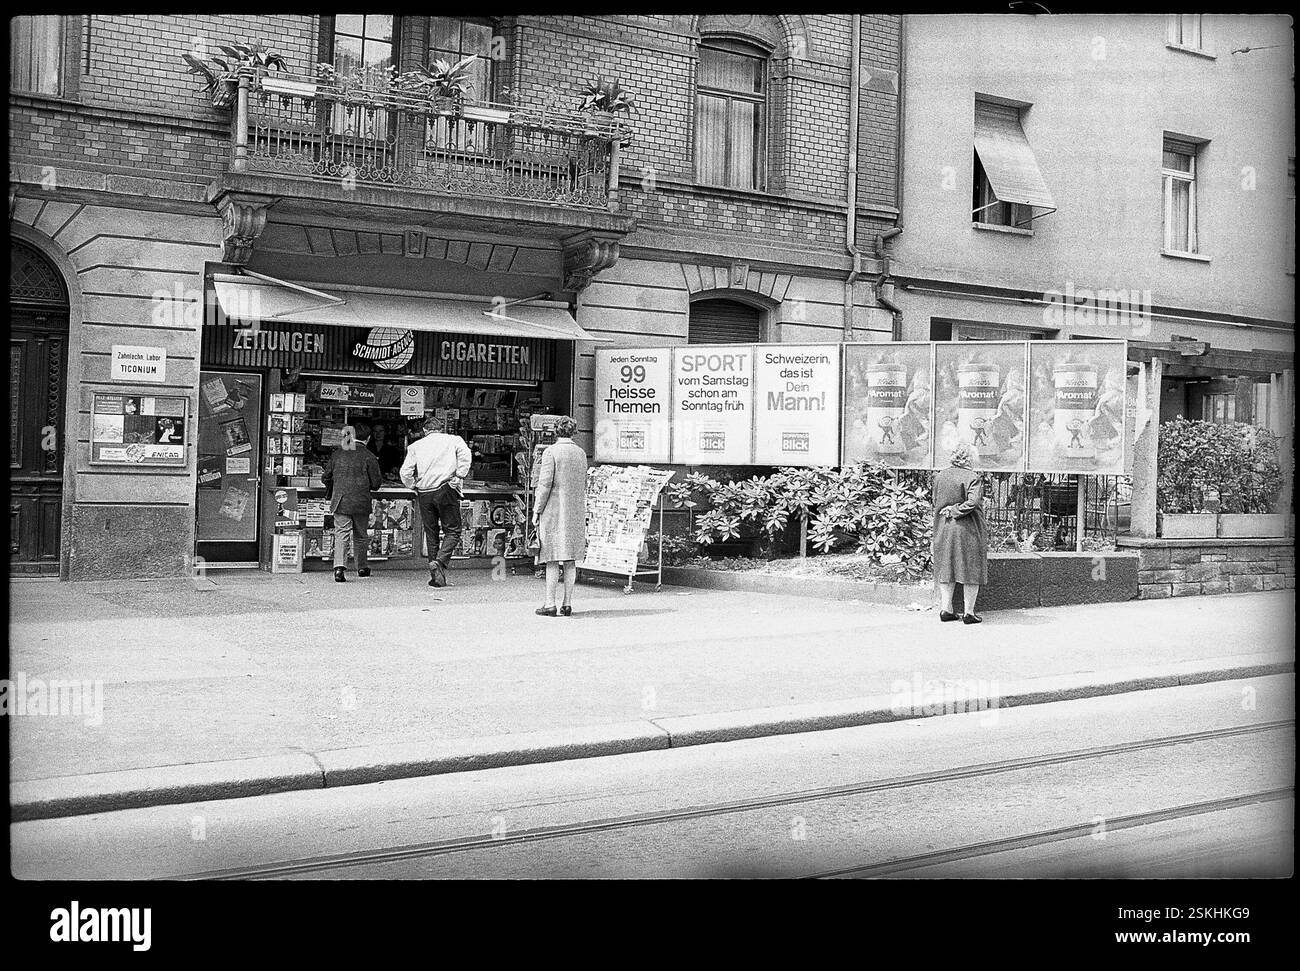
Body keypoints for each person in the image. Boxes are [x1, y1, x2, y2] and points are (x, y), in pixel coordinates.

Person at [401, 414, 472, 588]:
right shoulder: (453, 440)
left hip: (425, 493)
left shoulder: (415, 446)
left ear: (425, 430)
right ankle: (439, 562)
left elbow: (405, 472)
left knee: (431, 534)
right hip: (445, 489)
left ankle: (436, 577)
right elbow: (466, 455)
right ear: (441, 428)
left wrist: (413, 486)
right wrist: (460, 474)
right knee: (453, 530)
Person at [532, 416, 588, 617]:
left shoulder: (551, 452)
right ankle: (567, 603)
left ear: (556, 431)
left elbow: (544, 485)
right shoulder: (581, 453)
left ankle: (549, 603)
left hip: (554, 511)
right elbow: (583, 482)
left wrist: (537, 510)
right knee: (570, 559)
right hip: (575, 511)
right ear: (573, 432)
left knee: (552, 558)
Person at [932, 441, 989, 624]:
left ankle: (946, 609)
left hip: (944, 526)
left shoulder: (940, 476)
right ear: (969, 458)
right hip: (967, 528)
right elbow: (973, 502)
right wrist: (956, 510)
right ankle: (969, 613)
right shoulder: (973, 477)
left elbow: (935, 500)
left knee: (946, 566)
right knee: (971, 567)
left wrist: (948, 510)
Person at [322, 420, 382, 583]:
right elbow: (376, 484)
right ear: (368, 438)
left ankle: (339, 568)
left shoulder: (338, 454)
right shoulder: (369, 456)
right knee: (361, 534)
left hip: (341, 500)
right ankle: (361, 567)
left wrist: (335, 487)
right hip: (361, 501)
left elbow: (325, 477)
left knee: (341, 533)